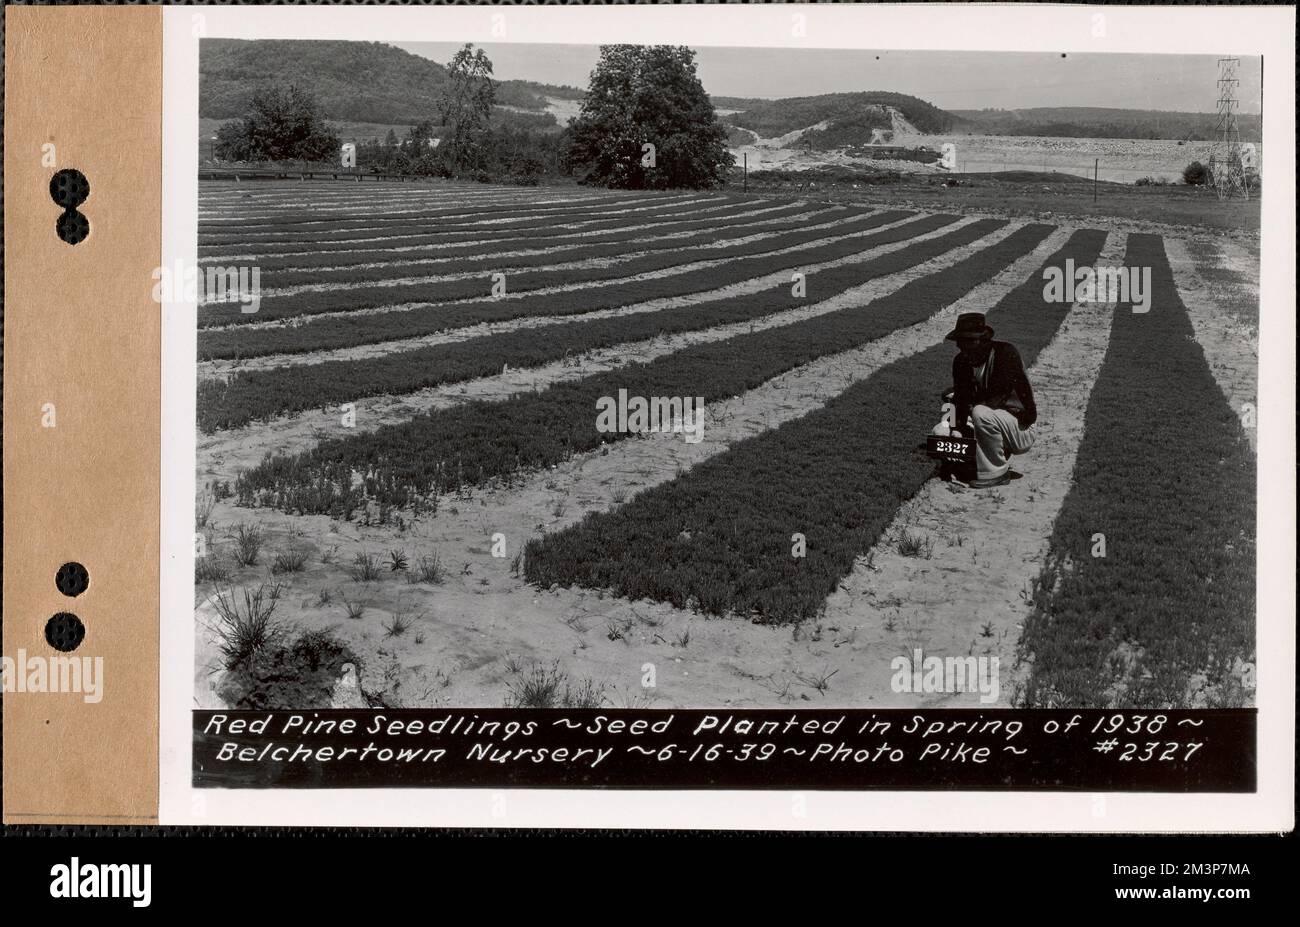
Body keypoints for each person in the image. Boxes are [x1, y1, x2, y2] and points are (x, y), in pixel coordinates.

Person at [944, 312, 1036, 488]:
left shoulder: (1005, 354)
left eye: (967, 342)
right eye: (961, 342)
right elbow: (960, 399)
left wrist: (967, 417)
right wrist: (955, 428)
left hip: (1020, 426)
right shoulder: (961, 362)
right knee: (942, 430)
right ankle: (972, 463)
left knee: (980, 413)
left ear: (982, 340)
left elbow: (994, 400)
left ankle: (997, 472)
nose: (961, 347)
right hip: (990, 420)